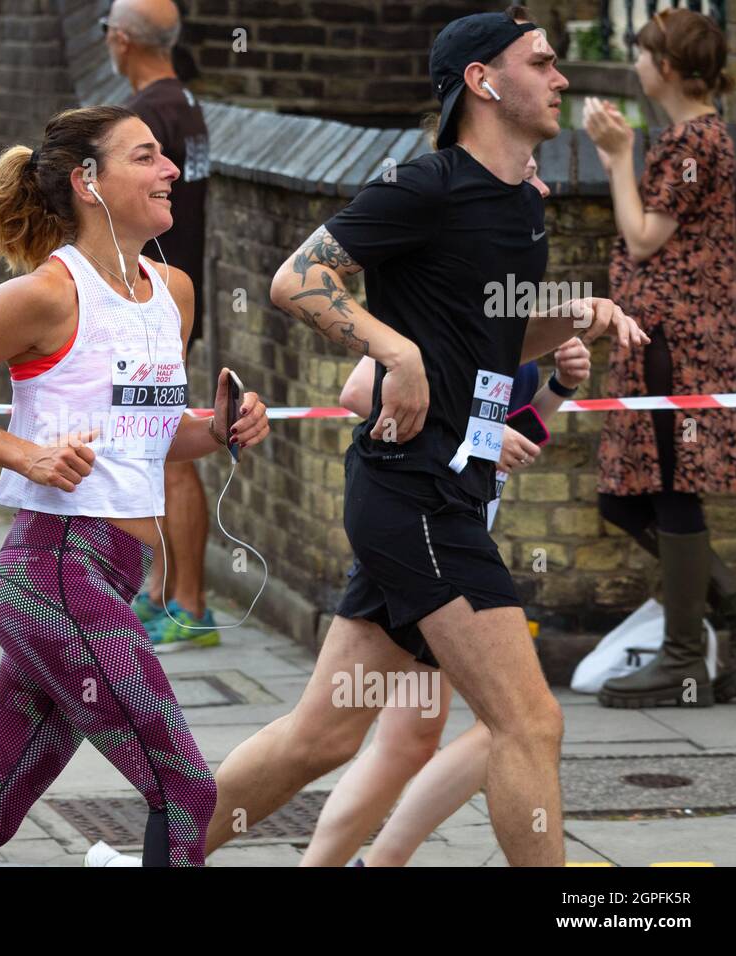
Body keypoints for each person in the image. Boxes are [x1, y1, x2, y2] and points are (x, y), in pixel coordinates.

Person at [209, 8, 646, 868]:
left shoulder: (521, 204)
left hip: (441, 490)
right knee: (528, 721)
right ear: (484, 81)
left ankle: (168, 852)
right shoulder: (426, 186)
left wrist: (572, 323)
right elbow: (294, 278)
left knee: (323, 735)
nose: (563, 78)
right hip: (416, 496)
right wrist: (392, 347)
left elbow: (488, 340)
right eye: (543, 63)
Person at [0, 105, 269, 867]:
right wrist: (26, 456)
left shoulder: (173, 291)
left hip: (106, 582)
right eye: (147, 157)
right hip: (55, 573)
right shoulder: (46, 295)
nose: (171, 171)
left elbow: (155, 437)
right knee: (185, 788)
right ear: (89, 181)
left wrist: (220, 429)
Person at [583, 6, 736, 708]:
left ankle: (685, 658)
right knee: (625, 497)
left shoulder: (694, 142)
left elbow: (644, 237)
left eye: (643, 53)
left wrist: (618, 157)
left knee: (673, 489)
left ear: (668, 68)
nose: (636, 63)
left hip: (681, 342)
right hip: (659, 337)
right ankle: (728, 612)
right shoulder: (689, 135)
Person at [107, 0, 216, 649]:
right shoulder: (186, 106)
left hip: (153, 301)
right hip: (170, 294)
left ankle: (192, 606)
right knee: (154, 449)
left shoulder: (148, 116)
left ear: (122, 40)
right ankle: (160, 592)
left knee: (168, 452)